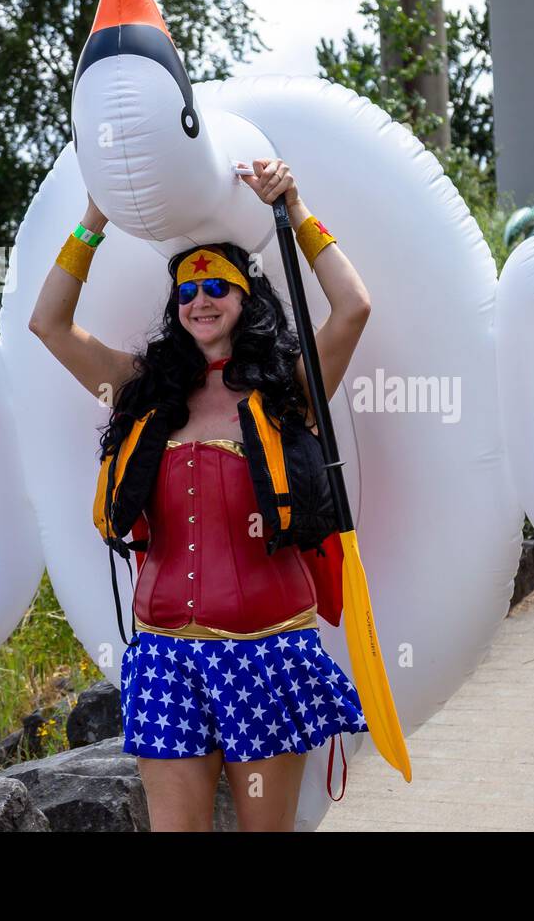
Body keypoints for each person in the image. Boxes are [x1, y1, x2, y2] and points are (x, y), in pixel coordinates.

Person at [28, 158, 373, 830]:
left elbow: (354, 308)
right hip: (163, 656)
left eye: (220, 285)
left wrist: (295, 209)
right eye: (188, 292)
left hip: (268, 652)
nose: (202, 300)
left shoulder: (288, 392)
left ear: (250, 299)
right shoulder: (143, 391)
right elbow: (49, 324)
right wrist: (95, 217)